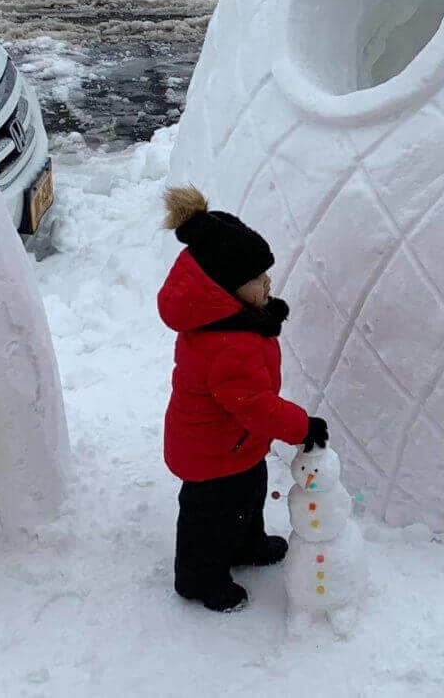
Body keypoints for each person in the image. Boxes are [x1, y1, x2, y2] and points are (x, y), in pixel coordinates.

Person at [158, 186, 328, 612]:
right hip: (210, 454)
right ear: (224, 290)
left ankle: (246, 542)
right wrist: (302, 427)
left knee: (250, 493)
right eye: (257, 277)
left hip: (234, 446)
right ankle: (199, 578)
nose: (268, 281)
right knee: (209, 518)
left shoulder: (236, 326)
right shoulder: (227, 345)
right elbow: (255, 403)